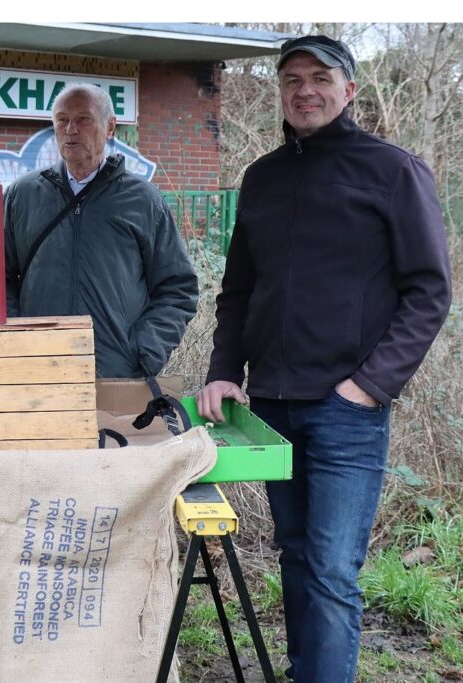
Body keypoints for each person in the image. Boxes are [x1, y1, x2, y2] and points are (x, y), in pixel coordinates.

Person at [196, 35, 452, 683]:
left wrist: (370, 385)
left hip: (346, 409)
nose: (305, 89)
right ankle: (308, 669)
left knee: (334, 569)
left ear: (349, 90)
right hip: (273, 404)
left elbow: (429, 290)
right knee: (296, 555)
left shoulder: (393, 171)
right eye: (291, 78)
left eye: (320, 76)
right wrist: (224, 367)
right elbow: (239, 291)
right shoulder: (263, 177)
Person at [3, 83, 198, 379]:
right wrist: (18, 340)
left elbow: (177, 287)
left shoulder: (143, 201)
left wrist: (144, 351)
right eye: (62, 120)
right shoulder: (22, 195)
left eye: (83, 119)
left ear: (109, 127)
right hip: (37, 371)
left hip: (115, 373)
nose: (70, 129)